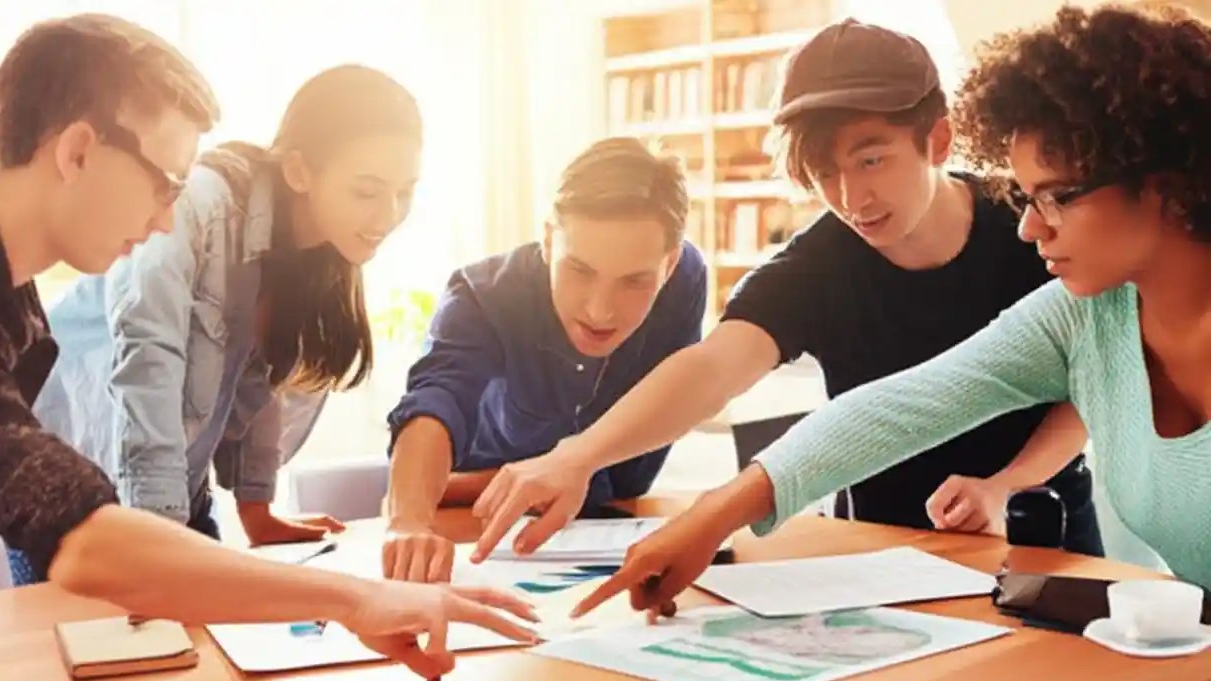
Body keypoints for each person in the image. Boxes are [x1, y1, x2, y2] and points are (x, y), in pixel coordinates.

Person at [0, 13, 533, 680]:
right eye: (165, 183)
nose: (166, 218)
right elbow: (80, 538)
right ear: (77, 152)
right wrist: (361, 599)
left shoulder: (6, 303)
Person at [572, 3, 1211, 620]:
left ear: (1161, 180)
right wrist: (709, 518)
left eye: (1058, 198)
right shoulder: (1081, 316)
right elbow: (898, 408)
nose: (1028, 229)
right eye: (1026, 197)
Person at [470, 19, 1101, 563]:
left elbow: (1094, 377)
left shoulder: (1034, 223)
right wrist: (578, 456)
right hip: (876, 550)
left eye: (871, 160)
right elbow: (712, 368)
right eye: (826, 173)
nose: (853, 199)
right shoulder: (818, 265)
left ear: (936, 140)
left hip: (1043, 533)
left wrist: (1007, 485)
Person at [6, 63, 420, 585]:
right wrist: (158, 545)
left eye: (405, 191)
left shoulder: (312, 254)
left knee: (213, 655)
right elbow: (146, 363)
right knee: (96, 661)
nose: (388, 214)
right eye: (367, 191)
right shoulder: (196, 206)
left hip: (174, 498)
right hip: (77, 502)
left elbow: (256, 382)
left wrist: (256, 510)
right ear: (299, 171)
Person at [382, 138, 706, 582]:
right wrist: (409, 524)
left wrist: (572, 471)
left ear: (669, 264)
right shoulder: (483, 295)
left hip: (616, 531)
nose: (599, 311)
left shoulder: (686, 279)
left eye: (633, 282)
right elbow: (436, 399)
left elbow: (680, 395)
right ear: (550, 240)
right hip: (486, 532)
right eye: (580, 270)